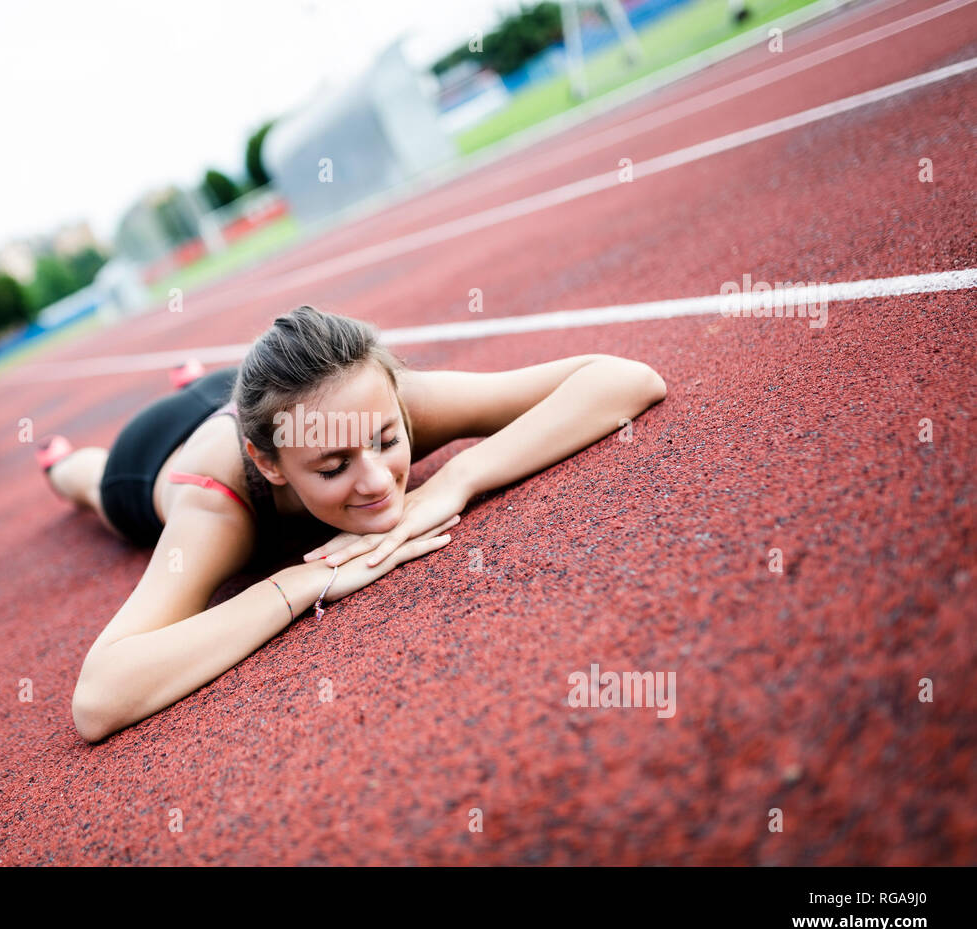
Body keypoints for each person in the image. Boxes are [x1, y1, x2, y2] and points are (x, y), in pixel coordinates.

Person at [39, 305, 667, 743]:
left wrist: (454, 480)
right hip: (155, 456)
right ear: (271, 463)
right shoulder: (216, 505)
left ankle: (200, 382)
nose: (374, 480)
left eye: (389, 441)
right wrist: (300, 585)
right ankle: (66, 464)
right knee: (97, 492)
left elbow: (627, 379)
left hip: (258, 394)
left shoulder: (369, 399)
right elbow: (99, 697)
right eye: (335, 466)